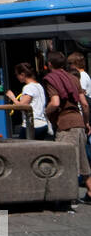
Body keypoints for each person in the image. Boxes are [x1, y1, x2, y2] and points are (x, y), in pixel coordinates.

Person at [43, 51, 91, 204]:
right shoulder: (73, 77)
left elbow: (55, 102)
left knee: (65, 161)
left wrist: (46, 111)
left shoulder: (51, 79)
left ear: (49, 64)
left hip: (65, 124)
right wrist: (86, 122)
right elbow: (84, 104)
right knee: (84, 162)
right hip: (79, 122)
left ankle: (66, 197)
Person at [5, 63, 52, 140]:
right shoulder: (39, 86)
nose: (17, 77)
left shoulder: (28, 87)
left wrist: (12, 97)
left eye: (17, 75)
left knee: (22, 149)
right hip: (43, 124)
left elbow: (22, 106)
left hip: (32, 125)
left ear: (23, 74)